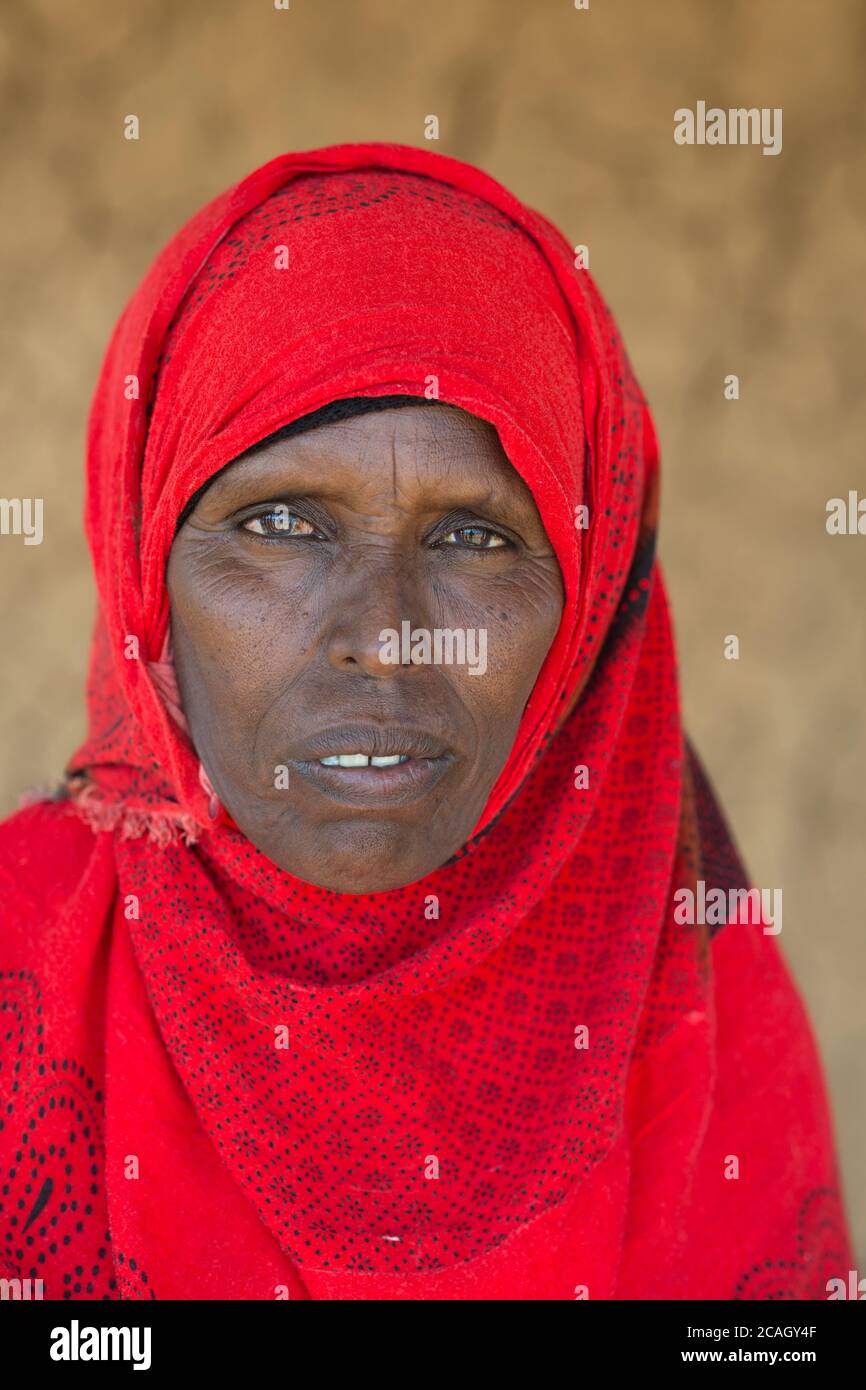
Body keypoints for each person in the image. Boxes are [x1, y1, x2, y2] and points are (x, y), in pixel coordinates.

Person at [0, 143, 852, 1300]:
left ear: (590, 611)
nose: (387, 634)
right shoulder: (26, 965)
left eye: (474, 536)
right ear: (144, 566)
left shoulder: (695, 1014)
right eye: (282, 525)